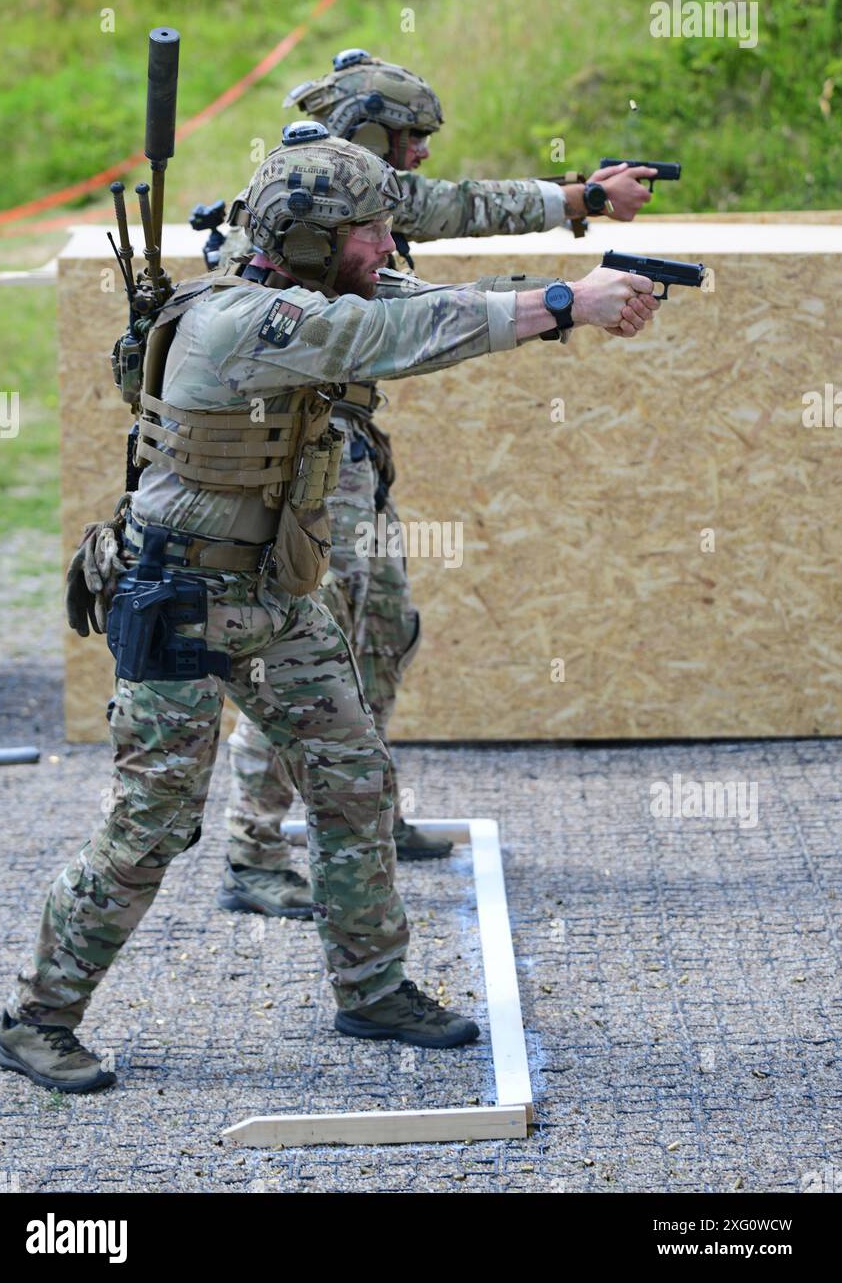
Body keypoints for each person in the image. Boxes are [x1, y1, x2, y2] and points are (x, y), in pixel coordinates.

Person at [0, 124, 659, 1091]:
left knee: (352, 782)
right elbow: (394, 334)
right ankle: (37, 1018)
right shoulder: (249, 322)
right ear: (310, 240)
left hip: (272, 594)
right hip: (181, 598)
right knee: (152, 825)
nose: (386, 247)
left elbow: (429, 305)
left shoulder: (313, 292)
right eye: (370, 231)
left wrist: (569, 283)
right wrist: (567, 303)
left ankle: (370, 986)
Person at [217, 50, 657, 916]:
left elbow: (443, 238)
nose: (420, 156)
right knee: (305, 653)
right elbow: (417, 309)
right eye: (411, 137)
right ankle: (252, 848)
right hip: (290, 461)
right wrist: (567, 286)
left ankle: (365, 812)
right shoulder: (305, 206)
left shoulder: (357, 199)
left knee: (382, 626)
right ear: (371, 134)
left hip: (344, 452)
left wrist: (573, 237)